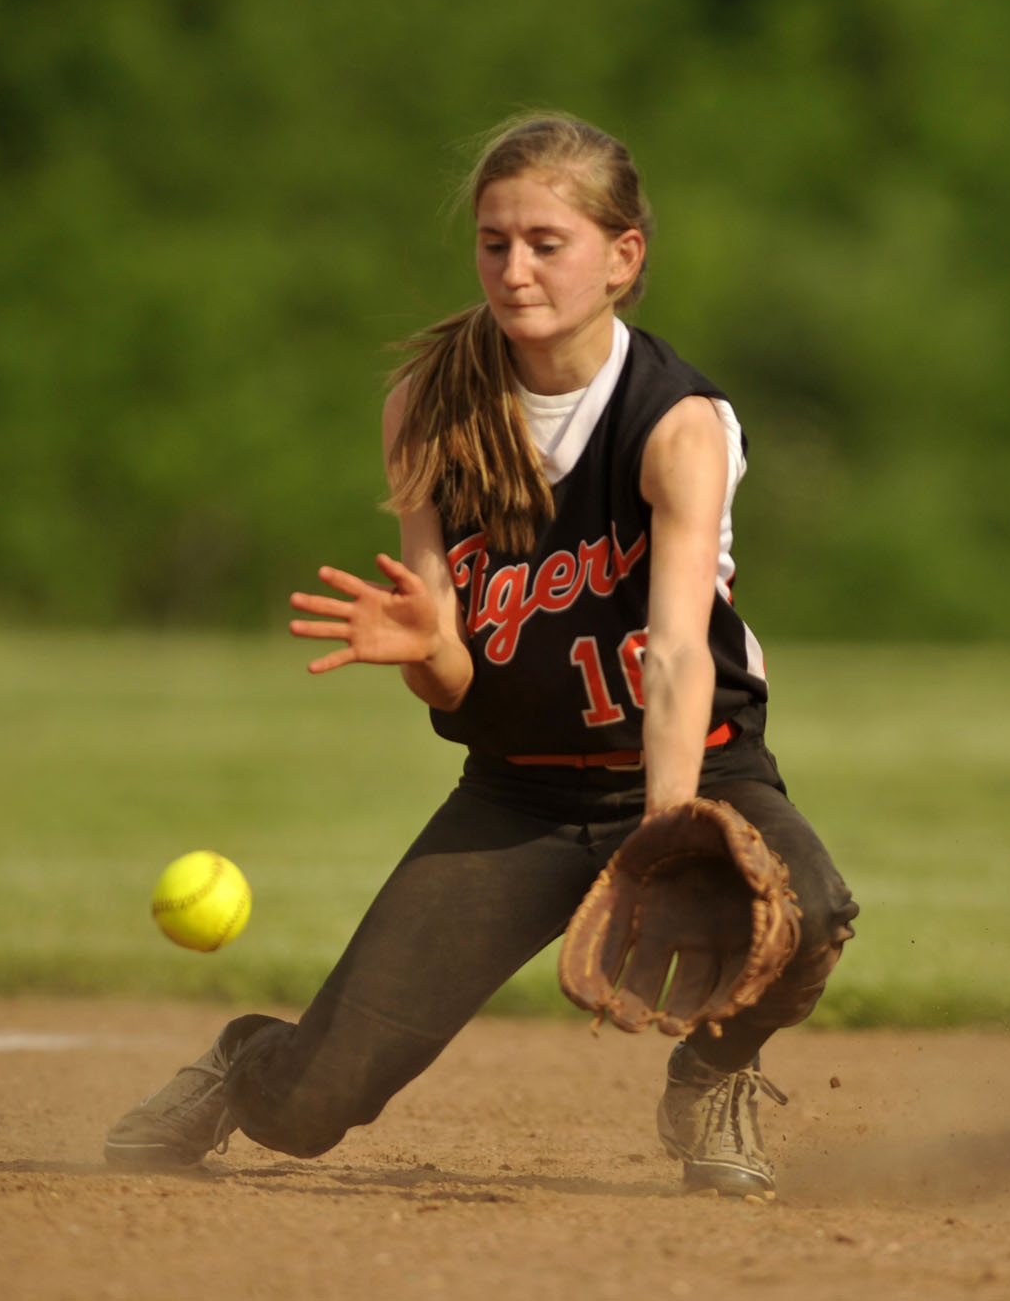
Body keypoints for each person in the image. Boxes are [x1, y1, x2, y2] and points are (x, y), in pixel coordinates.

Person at [103, 114, 857, 1196]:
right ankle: (244, 1066)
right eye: (494, 241)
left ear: (621, 257)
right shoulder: (430, 405)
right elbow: (456, 678)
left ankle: (712, 1075)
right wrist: (425, 650)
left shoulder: (676, 422)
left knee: (813, 909)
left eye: (547, 241)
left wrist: (667, 834)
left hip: (698, 770)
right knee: (311, 1109)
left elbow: (680, 654)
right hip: (517, 795)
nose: (515, 268)